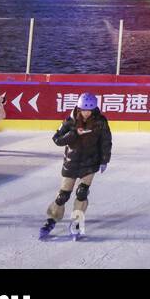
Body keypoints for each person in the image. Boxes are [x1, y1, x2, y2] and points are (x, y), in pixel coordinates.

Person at [39, 92, 112, 240]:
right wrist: (74, 134)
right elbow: (57, 139)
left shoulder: (101, 122)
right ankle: (51, 219)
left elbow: (106, 142)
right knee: (63, 195)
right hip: (71, 161)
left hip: (90, 162)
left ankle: (77, 221)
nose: (86, 113)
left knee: (82, 192)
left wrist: (105, 160)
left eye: (89, 110)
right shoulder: (70, 120)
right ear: (78, 108)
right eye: (83, 109)